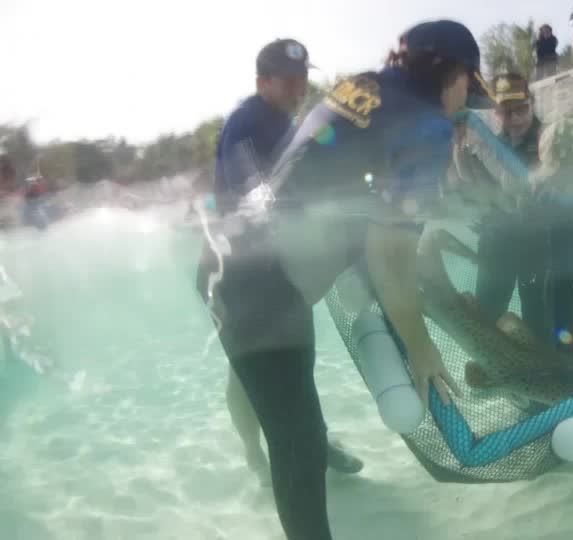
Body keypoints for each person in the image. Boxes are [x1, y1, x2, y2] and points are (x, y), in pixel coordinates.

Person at [197, 20, 491, 540]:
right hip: (262, 289)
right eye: (470, 82)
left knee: (298, 431)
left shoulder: (361, 86)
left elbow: (342, 196)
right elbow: (390, 255)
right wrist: (422, 351)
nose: (467, 97)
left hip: (235, 267)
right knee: (300, 448)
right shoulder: (427, 127)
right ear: (453, 73)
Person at [201, 38, 363, 491]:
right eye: (288, 79)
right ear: (262, 82)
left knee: (290, 363)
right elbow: (258, 194)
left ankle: (311, 442)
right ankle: (259, 454)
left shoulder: (286, 121)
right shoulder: (248, 122)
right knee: (250, 372)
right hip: (237, 273)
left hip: (271, 271)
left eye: (303, 77)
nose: (299, 87)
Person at [466, 73, 573, 356]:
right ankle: (498, 374)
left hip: (545, 251)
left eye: (521, 110)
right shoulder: (487, 147)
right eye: (505, 112)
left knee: (547, 329)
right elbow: (479, 194)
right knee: (485, 318)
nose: (514, 118)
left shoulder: (553, 139)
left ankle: (557, 389)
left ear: (532, 103)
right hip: (500, 244)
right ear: (496, 113)